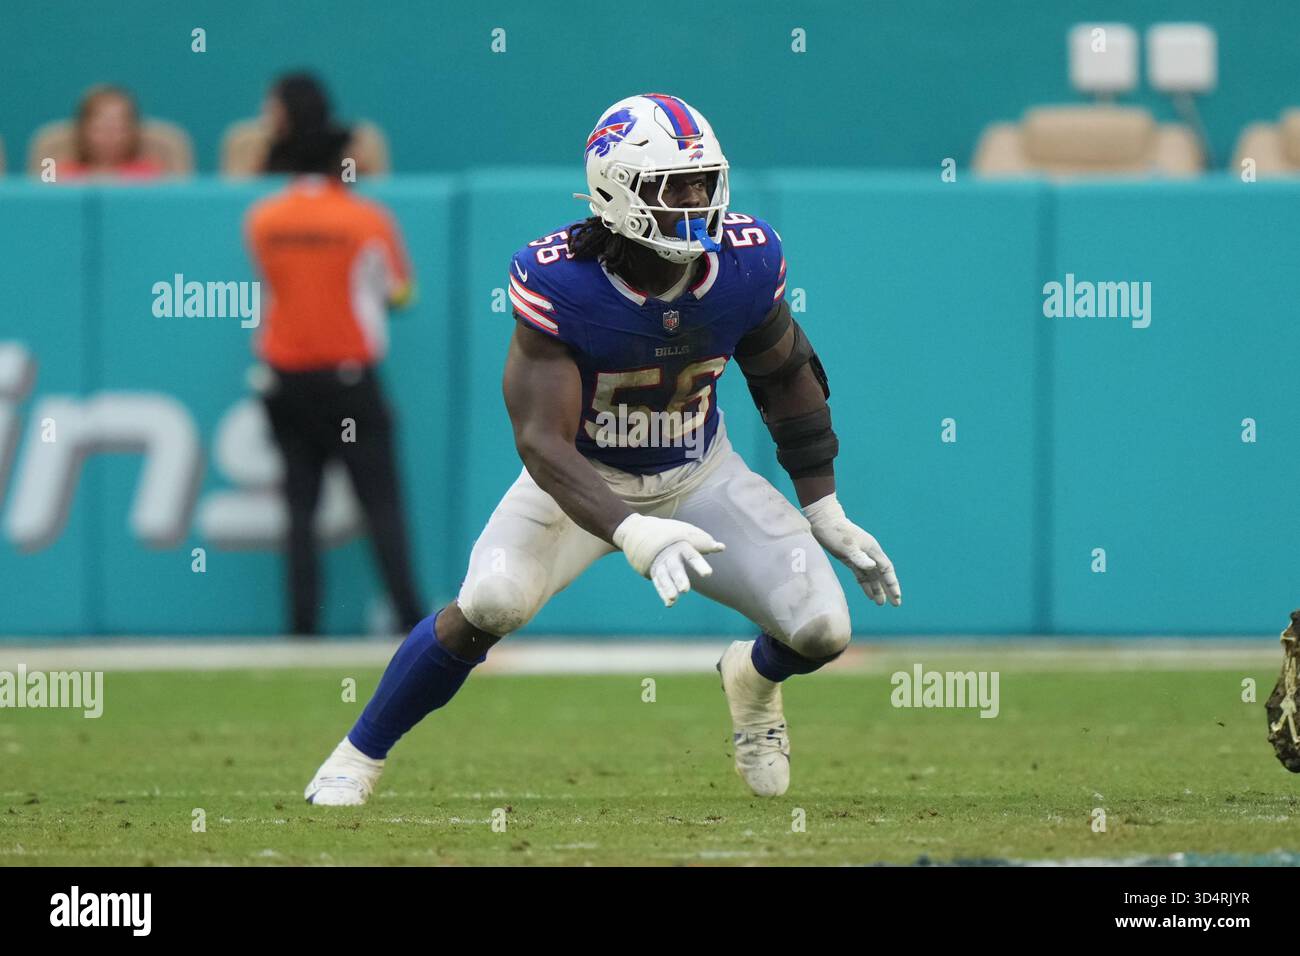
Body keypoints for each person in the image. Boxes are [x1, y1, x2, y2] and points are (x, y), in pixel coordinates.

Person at [304, 93, 901, 804]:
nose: (694, 200)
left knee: (823, 630)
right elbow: (540, 441)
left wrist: (823, 503)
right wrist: (628, 527)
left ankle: (753, 677)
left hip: (698, 473)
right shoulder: (562, 280)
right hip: (580, 478)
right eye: (671, 186)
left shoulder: (744, 260)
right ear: (616, 192)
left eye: (702, 181)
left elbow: (785, 374)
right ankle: (358, 754)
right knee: (489, 603)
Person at [244, 108, 425, 637]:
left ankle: (301, 629)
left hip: (286, 378)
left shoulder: (263, 218)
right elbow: (401, 291)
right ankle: (410, 619)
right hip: (349, 380)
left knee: (299, 508)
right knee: (381, 504)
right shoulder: (365, 218)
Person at [58, 86, 165, 180]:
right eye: (100, 128)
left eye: (119, 129)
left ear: (133, 132)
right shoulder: (63, 176)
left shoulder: (149, 176)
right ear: (83, 130)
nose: (110, 136)